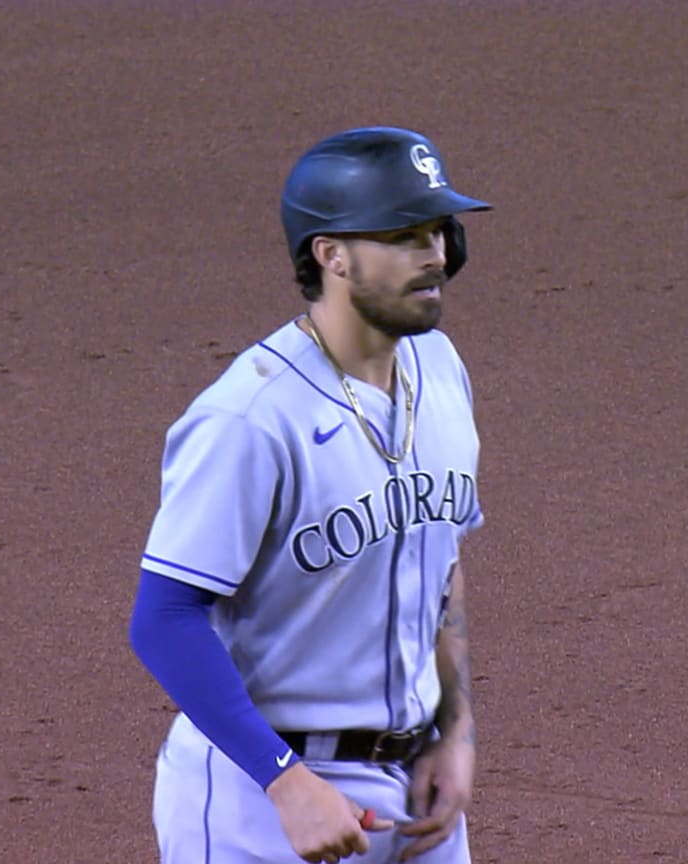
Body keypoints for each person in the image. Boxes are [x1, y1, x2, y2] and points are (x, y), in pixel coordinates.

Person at [130, 126, 492, 864]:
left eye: (438, 231)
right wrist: (286, 783)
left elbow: (440, 561)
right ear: (331, 254)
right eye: (403, 235)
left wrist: (454, 733)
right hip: (262, 796)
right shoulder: (250, 418)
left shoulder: (439, 368)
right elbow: (163, 620)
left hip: (414, 798)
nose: (434, 255)